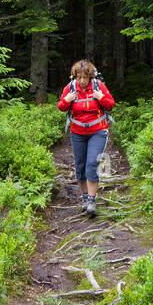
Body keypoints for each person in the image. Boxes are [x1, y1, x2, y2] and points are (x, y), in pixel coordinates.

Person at [57, 59, 115, 217]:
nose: (82, 81)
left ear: (90, 77)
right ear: (75, 77)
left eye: (85, 78)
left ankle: (91, 200)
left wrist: (100, 97)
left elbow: (110, 104)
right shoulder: (70, 88)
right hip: (77, 132)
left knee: (92, 163)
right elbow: (61, 107)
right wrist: (66, 100)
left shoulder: (98, 86)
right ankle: (84, 199)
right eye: (79, 77)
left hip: (98, 131)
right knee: (80, 166)